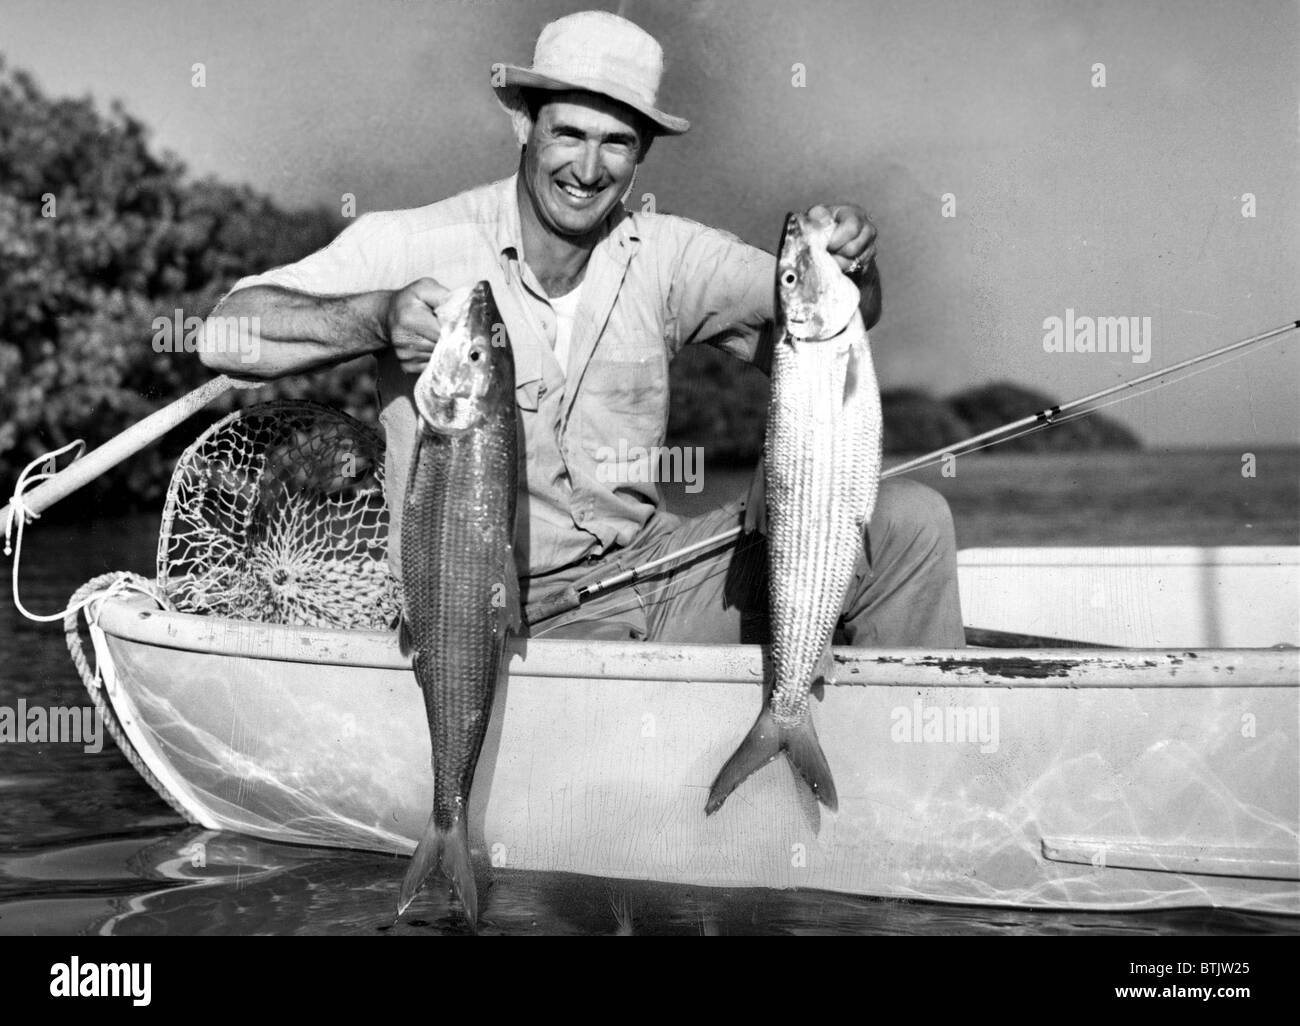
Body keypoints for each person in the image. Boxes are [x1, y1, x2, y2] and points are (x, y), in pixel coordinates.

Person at [200, 10, 964, 648]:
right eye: (568, 133)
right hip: (509, 608)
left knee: (911, 521)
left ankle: (917, 795)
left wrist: (851, 258)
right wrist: (373, 314)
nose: (588, 168)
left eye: (617, 142)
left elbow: (836, 318)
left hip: (661, 565)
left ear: (641, 157)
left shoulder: (668, 253)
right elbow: (224, 336)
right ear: (523, 124)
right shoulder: (418, 240)